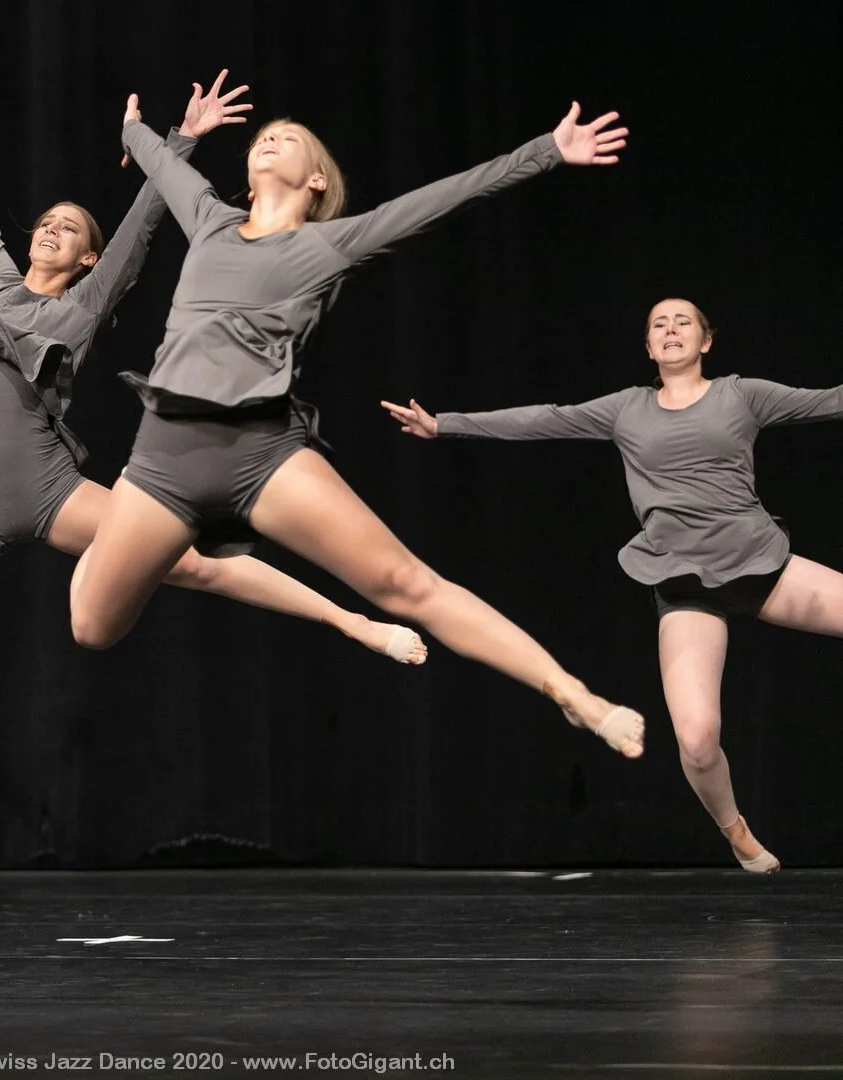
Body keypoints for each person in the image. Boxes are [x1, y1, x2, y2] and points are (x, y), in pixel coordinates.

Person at [69, 96, 642, 758]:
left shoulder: (331, 243)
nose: (270, 140)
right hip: (166, 457)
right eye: (263, 137)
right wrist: (140, 129)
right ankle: (146, 544)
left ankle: (571, 692)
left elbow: (442, 200)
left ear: (317, 179)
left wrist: (546, 151)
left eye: (289, 138)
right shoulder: (209, 219)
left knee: (406, 583)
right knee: (89, 624)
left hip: (264, 454)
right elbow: (155, 158)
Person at [0, 73, 426, 668]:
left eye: (68, 227)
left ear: (89, 259)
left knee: (193, 565)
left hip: (49, 490)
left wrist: (182, 139)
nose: (51, 228)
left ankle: (349, 620)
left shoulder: (83, 304)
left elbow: (142, 223)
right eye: (47, 222)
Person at [382, 297, 843, 871]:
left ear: (706, 342)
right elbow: (545, 419)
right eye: (659, 324)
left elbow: (830, 402)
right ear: (649, 348)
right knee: (697, 740)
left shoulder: (741, 394)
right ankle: (736, 831)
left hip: (761, 564)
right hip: (684, 586)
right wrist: (445, 425)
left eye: (684, 323)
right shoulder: (628, 409)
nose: (671, 330)